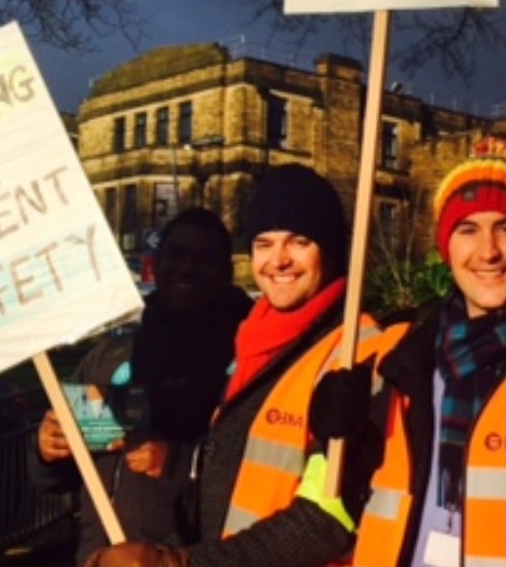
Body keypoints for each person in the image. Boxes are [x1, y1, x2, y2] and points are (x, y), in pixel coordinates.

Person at [311, 136, 506, 567]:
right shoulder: (400, 353)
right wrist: (337, 433)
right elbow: (352, 489)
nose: (487, 251)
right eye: (467, 230)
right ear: (446, 248)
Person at [87, 163, 380, 567]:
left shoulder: (357, 353)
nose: (278, 260)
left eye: (298, 242)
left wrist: (176, 563)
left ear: (329, 250)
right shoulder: (254, 343)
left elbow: (327, 518)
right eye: (263, 243)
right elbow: (224, 485)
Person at [32, 207, 253, 566]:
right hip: (98, 557)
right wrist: (48, 452)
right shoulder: (114, 350)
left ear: (227, 272)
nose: (186, 267)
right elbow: (56, 480)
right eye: (176, 255)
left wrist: (178, 464)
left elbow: (257, 473)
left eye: (204, 259)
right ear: (156, 262)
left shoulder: (246, 355)